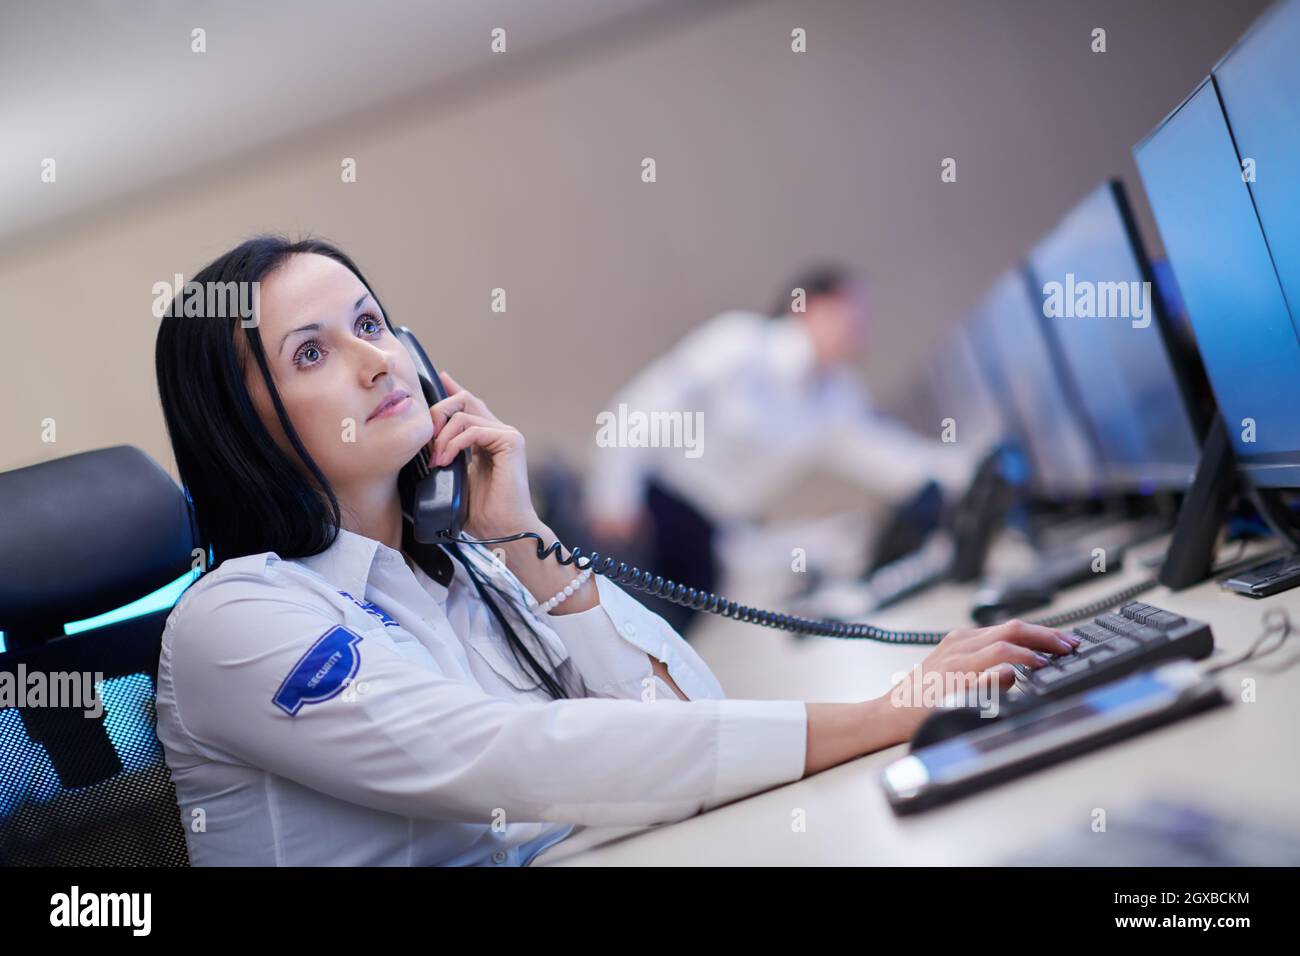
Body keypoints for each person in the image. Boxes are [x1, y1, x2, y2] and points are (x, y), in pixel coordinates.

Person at [152, 236, 1077, 866]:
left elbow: (685, 714)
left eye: (371, 324)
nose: (374, 361)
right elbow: (511, 760)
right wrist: (885, 713)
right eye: (309, 354)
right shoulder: (238, 620)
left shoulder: (469, 562)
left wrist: (530, 545)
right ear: (242, 427)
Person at [585, 266, 973, 633]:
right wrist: (614, 495)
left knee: (668, 649)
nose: (860, 330)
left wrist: (967, 474)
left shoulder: (834, 394)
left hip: (710, 536)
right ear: (812, 306)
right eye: (851, 313)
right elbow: (643, 406)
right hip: (656, 514)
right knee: (620, 634)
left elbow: (887, 456)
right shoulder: (740, 344)